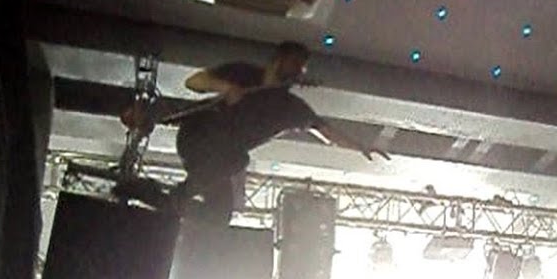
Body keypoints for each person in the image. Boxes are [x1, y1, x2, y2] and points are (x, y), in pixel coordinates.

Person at [115, 41, 389, 224]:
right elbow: (194, 82)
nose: (296, 72)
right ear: (277, 61)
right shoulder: (244, 73)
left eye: (300, 69)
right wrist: (226, 87)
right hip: (198, 137)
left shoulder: (291, 107)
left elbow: (327, 133)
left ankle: (151, 194)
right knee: (238, 160)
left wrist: (361, 146)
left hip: (217, 159)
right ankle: (179, 194)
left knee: (218, 215)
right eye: (293, 65)